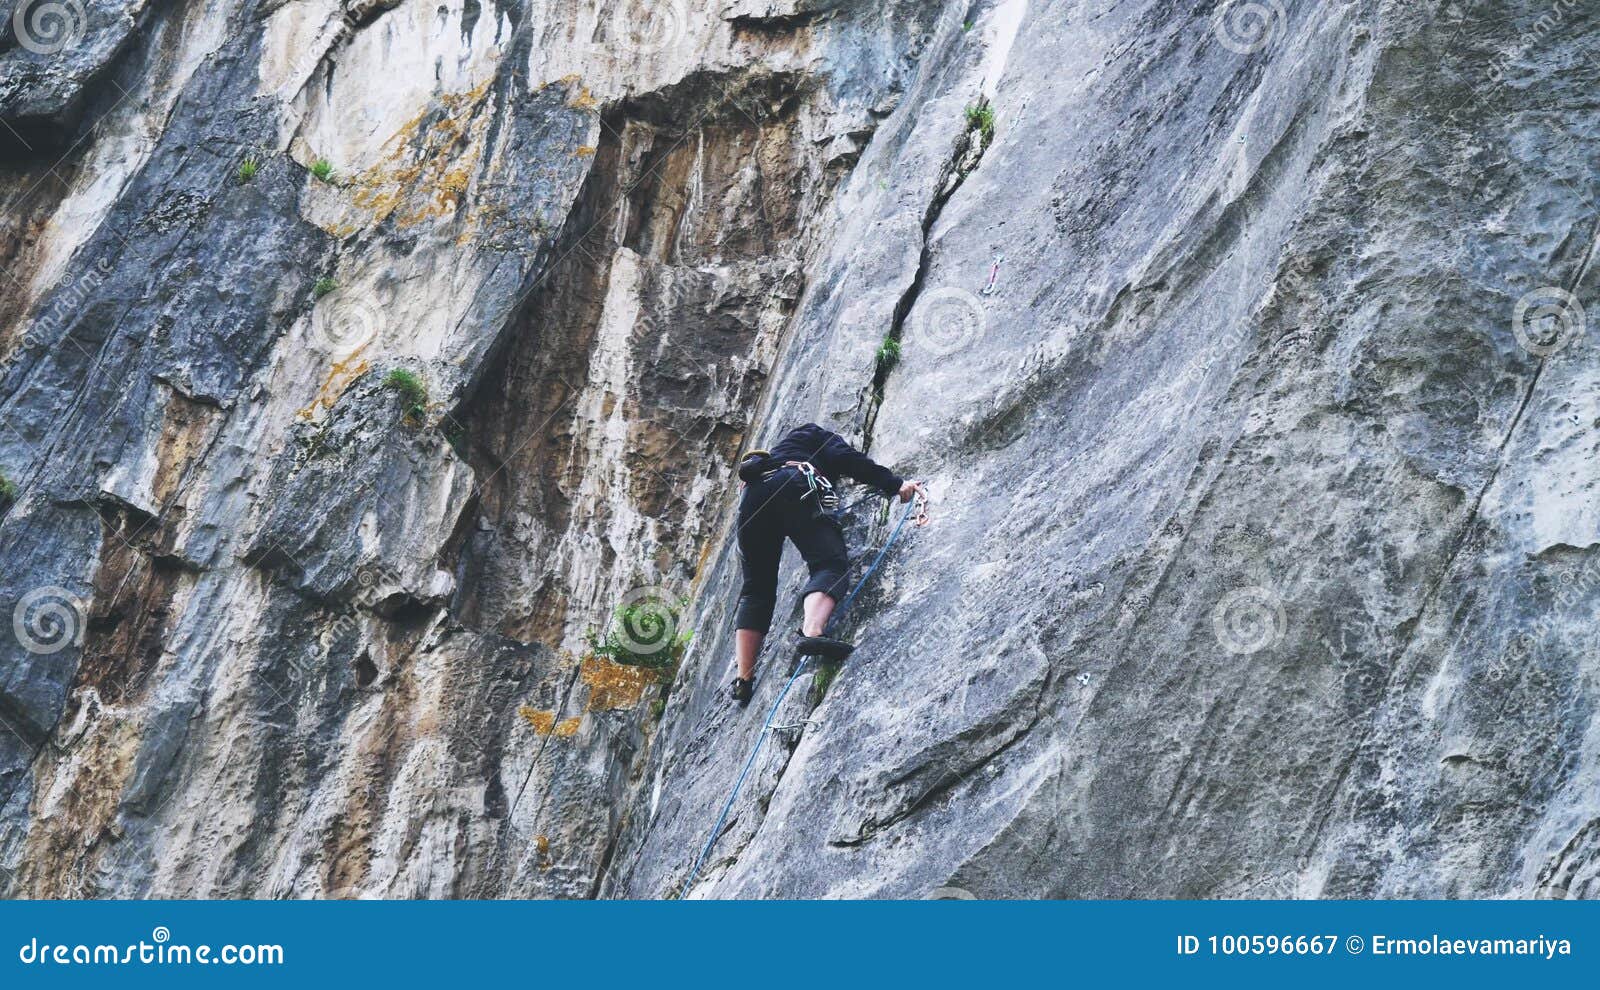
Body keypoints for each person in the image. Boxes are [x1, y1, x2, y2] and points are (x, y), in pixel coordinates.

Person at [728, 423, 923, 705]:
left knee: (756, 591)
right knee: (829, 565)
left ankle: (743, 679)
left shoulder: (768, 464)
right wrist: (894, 484)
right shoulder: (814, 434)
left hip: (751, 502)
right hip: (792, 484)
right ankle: (812, 633)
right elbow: (846, 458)